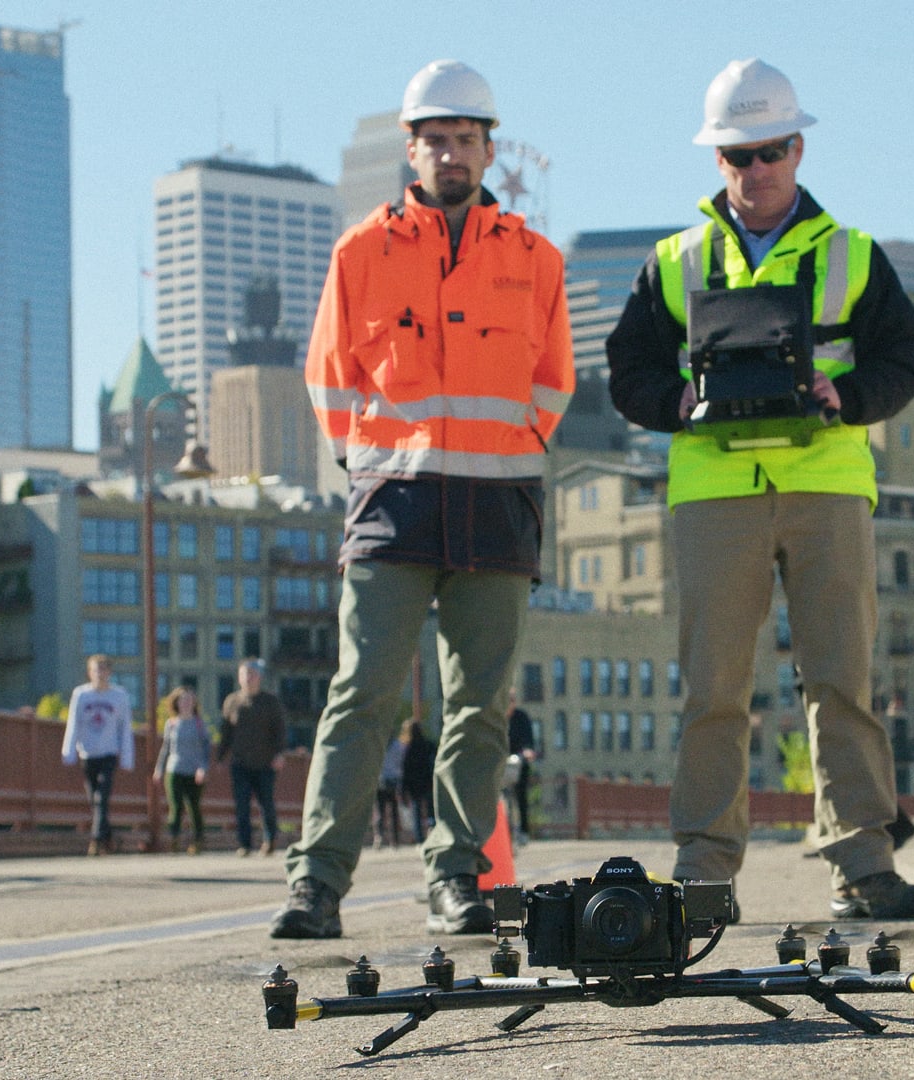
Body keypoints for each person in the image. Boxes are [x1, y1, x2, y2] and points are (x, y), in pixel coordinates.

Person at [606, 59, 914, 921]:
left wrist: (851, 398)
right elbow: (624, 369)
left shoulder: (852, 255)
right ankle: (705, 877)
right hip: (715, 492)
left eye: (772, 150)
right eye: (738, 155)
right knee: (714, 688)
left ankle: (864, 866)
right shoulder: (674, 261)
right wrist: (670, 401)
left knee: (841, 679)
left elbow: (906, 357)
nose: (757, 171)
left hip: (825, 480)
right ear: (717, 161)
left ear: (799, 147)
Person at [271, 59, 574, 941]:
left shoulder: (533, 258)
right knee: (361, 693)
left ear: (489, 149)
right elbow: (329, 376)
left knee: (479, 707)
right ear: (412, 148)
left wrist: (515, 450)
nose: (450, 153)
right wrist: (368, 465)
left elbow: (554, 380)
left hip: (497, 510)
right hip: (393, 507)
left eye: (465, 139)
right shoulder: (361, 253)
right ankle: (317, 885)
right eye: (434, 139)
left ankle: (456, 877)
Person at [61, 655, 134, 856]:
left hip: (109, 753)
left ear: (109, 673)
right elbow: (73, 722)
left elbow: (125, 728)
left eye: (103, 670)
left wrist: (127, 756)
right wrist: (68, 751)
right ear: (89, 673)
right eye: (95, 670)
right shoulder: (81, 695)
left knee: (102, 797)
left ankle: (96, 840)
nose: (99, 674)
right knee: (94, 799)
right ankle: (108, 837)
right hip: (87, 753)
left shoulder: (119, 696)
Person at [220, 659, 286, 858]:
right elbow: (226, 733)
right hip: (240, 762)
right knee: (241, 804)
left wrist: (279, 754)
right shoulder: (232, 701)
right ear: (239, 678)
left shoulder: (270, 702)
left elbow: (280, 731)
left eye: (252, 674)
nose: (248, 678)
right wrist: (220, 757)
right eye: (244, 675)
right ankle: (245, 844)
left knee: (266, 803)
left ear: (259, 677)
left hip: (265, 762)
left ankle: (270, 839)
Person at [153, 686, 209, 855]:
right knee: (175, 806)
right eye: (182, 700)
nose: (186, 703)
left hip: (194, 771)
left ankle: (198, 840)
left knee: (193, 806)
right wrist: (159, 768)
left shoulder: (199, 724)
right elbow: (166, 748)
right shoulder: (171, 723)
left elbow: (206, 748)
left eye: (189, 700)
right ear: (176, 703)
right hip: (174, 769)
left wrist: (203, 768)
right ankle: (174, 839)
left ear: (194, 703)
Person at [397, 717, 436, 843]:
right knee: (432, 810)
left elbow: (405, 770)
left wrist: (403, 789)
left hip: (415, 785)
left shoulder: (408, 749)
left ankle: (420, 838)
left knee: (417, 812)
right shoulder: (429, 745)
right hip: (429, 782)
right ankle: (433, 829)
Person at [506, 689, 538, 841]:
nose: (509, 703)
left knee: (521, 796)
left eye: (511, 699)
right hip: (501, 762)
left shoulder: (521, 717)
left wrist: (528, 751)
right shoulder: (497, 719)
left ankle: (524, 831)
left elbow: (528, 740)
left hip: (519, 763)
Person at [374, 733, 407, 849]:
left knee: (380, 811)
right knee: (393, 811)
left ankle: (379, 836)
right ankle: (394, 839)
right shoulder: (398, 745)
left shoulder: (378, 743)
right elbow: (401, 763)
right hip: (393, 780)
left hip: (381, 780)